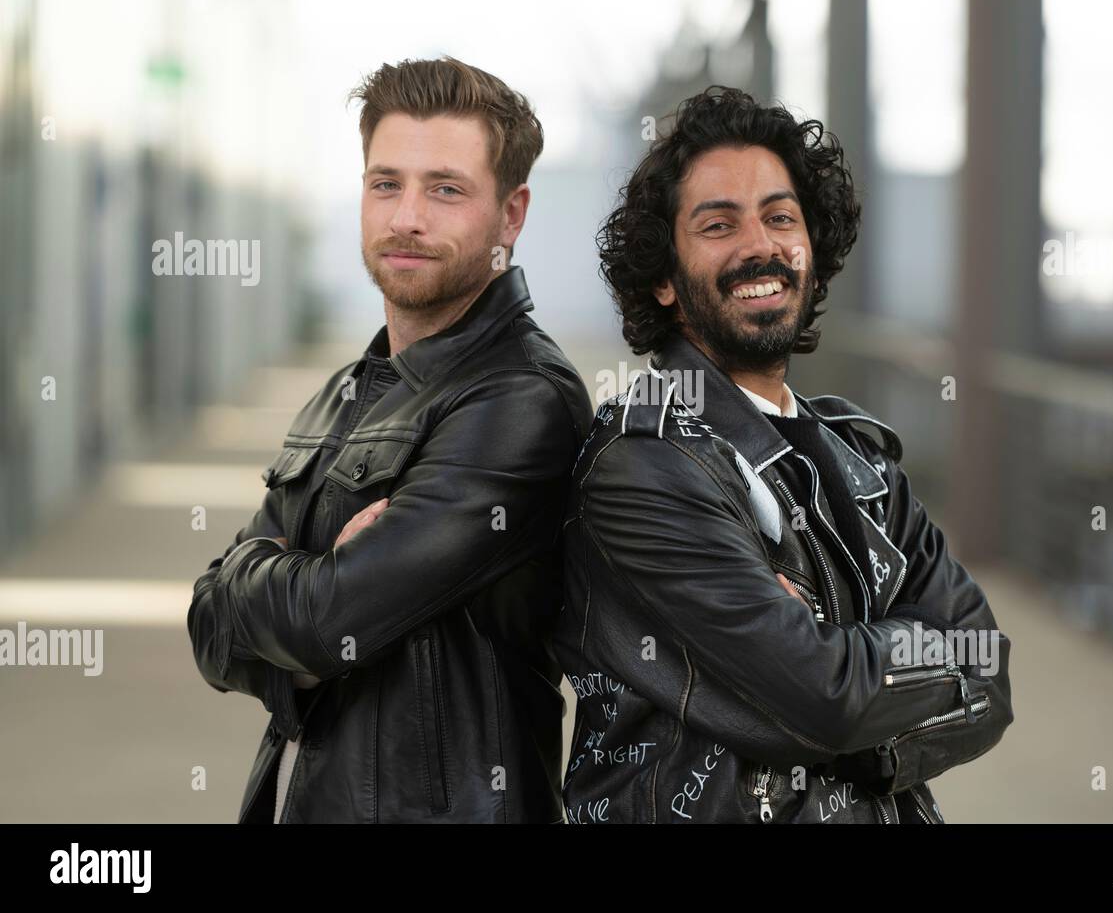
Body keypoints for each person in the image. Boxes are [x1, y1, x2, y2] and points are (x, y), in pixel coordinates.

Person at [555, 86, 1013, 823]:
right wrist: (910, 661)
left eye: (780, 217)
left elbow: (990, 665)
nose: (759, 246)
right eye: (718, 224)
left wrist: (861, 701)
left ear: (812, 252)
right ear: (665, 279)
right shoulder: (641, 461)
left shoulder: (858, 456)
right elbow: (828, 697)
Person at [187, 56, 592, 823]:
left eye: (445, 189)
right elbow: (208, 621)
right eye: (386, 184)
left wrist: (277, 591)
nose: (407, 216)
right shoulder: (343, 393)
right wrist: (294, 594)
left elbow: (323, 622)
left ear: (511, 215)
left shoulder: (521, 398)